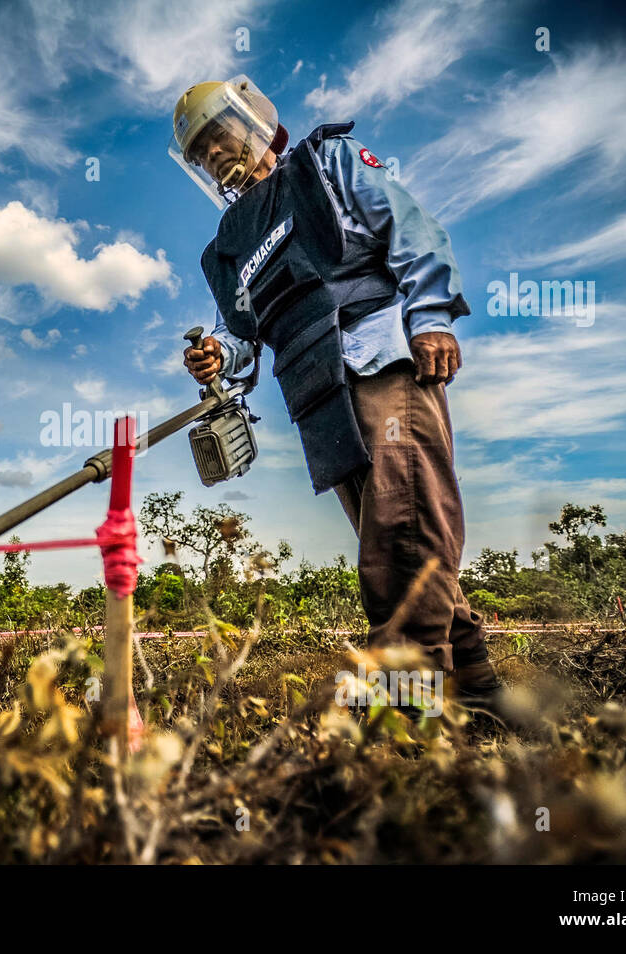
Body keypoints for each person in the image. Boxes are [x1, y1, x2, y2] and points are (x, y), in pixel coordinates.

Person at [171, 76, 500, 703]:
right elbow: (241, 337)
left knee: (403, 529)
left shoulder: (325, 164)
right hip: (316, 399)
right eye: (200, 153)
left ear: (255, 124)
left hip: (380, 363)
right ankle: (479, 693)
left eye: (219, 136)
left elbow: (409, 225)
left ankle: (407, 709)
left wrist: (429, 316)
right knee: (396, 537)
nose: (214, 155)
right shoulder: (226, 250)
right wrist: (219, 357)